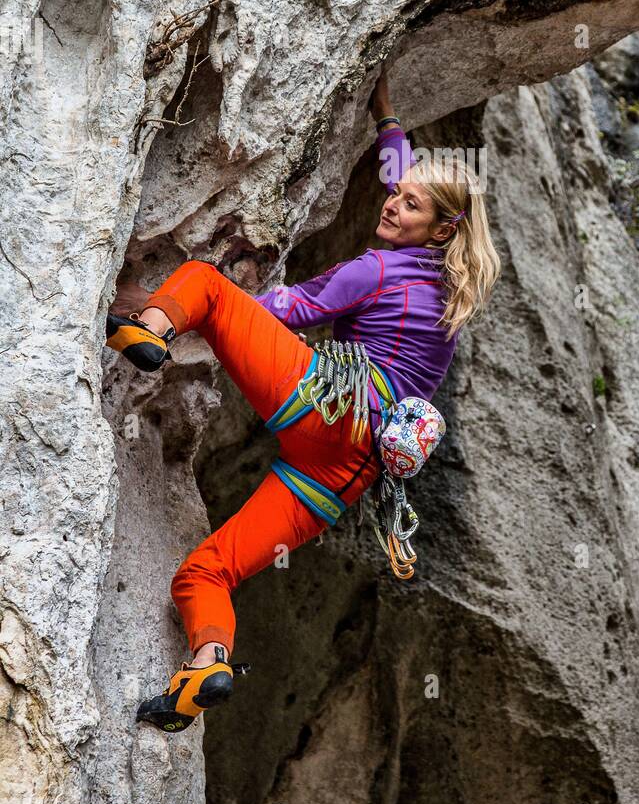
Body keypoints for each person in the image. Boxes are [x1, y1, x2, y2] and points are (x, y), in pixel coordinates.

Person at [106, 68, 501, 731]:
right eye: (395, 194)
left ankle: (149, 331)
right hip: (346, 473)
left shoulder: (376, 269)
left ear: (436, 229)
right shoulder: (450, 294)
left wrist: (233, 311)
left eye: (406, 205)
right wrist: (387, 118)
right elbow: (411, 184)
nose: (392, 205)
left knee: (202, 281)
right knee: (205, 573)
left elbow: (299, 307)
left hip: (329, 406)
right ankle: (206, 665)